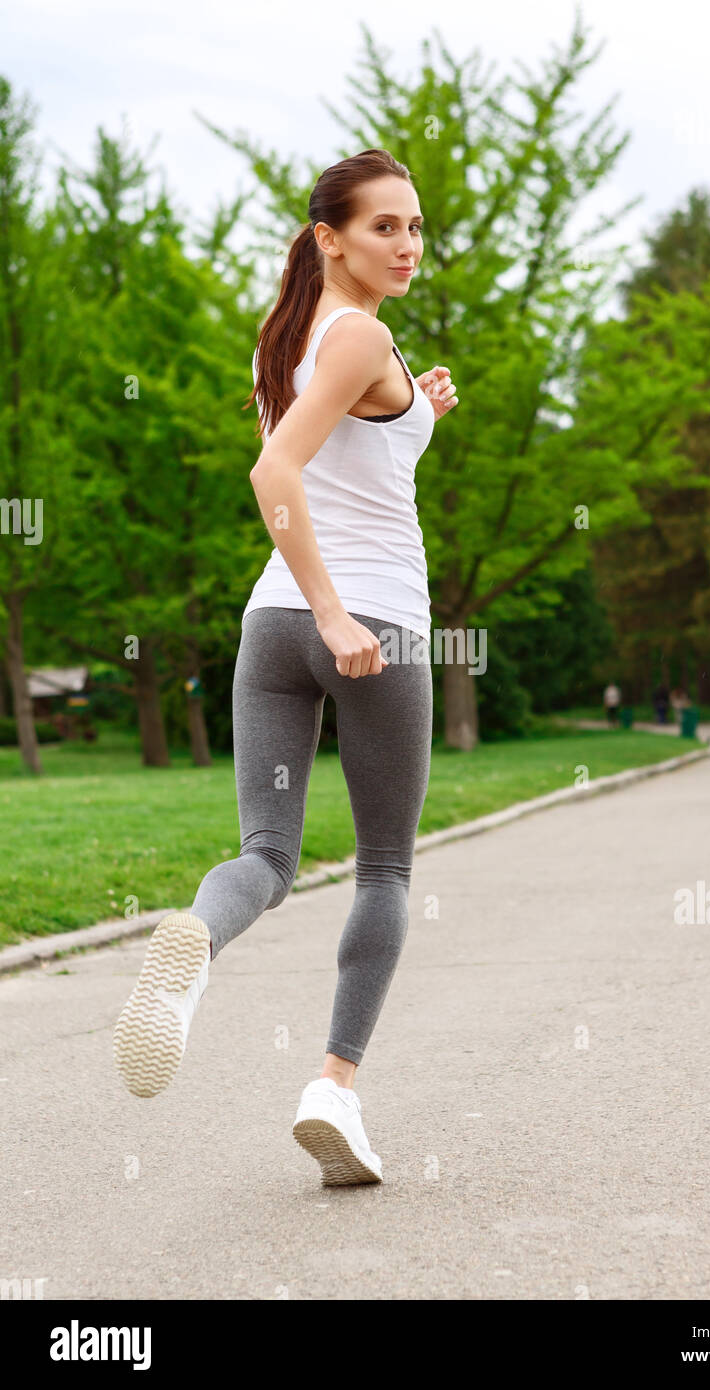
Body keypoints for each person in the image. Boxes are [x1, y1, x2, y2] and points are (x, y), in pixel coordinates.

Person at [113, 149, 459, 1186]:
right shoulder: (362, 334)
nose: (406, 245)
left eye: (414, 226)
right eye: (383, 227)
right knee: (384, 866)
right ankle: (332, 1090)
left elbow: (349, 469)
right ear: (329, 238)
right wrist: (337, 609)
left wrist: (421, 417)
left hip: (269, 631)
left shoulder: (283, 340)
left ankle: (192, 951)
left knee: (264, 857)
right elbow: (276, 472)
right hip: (369, 626)